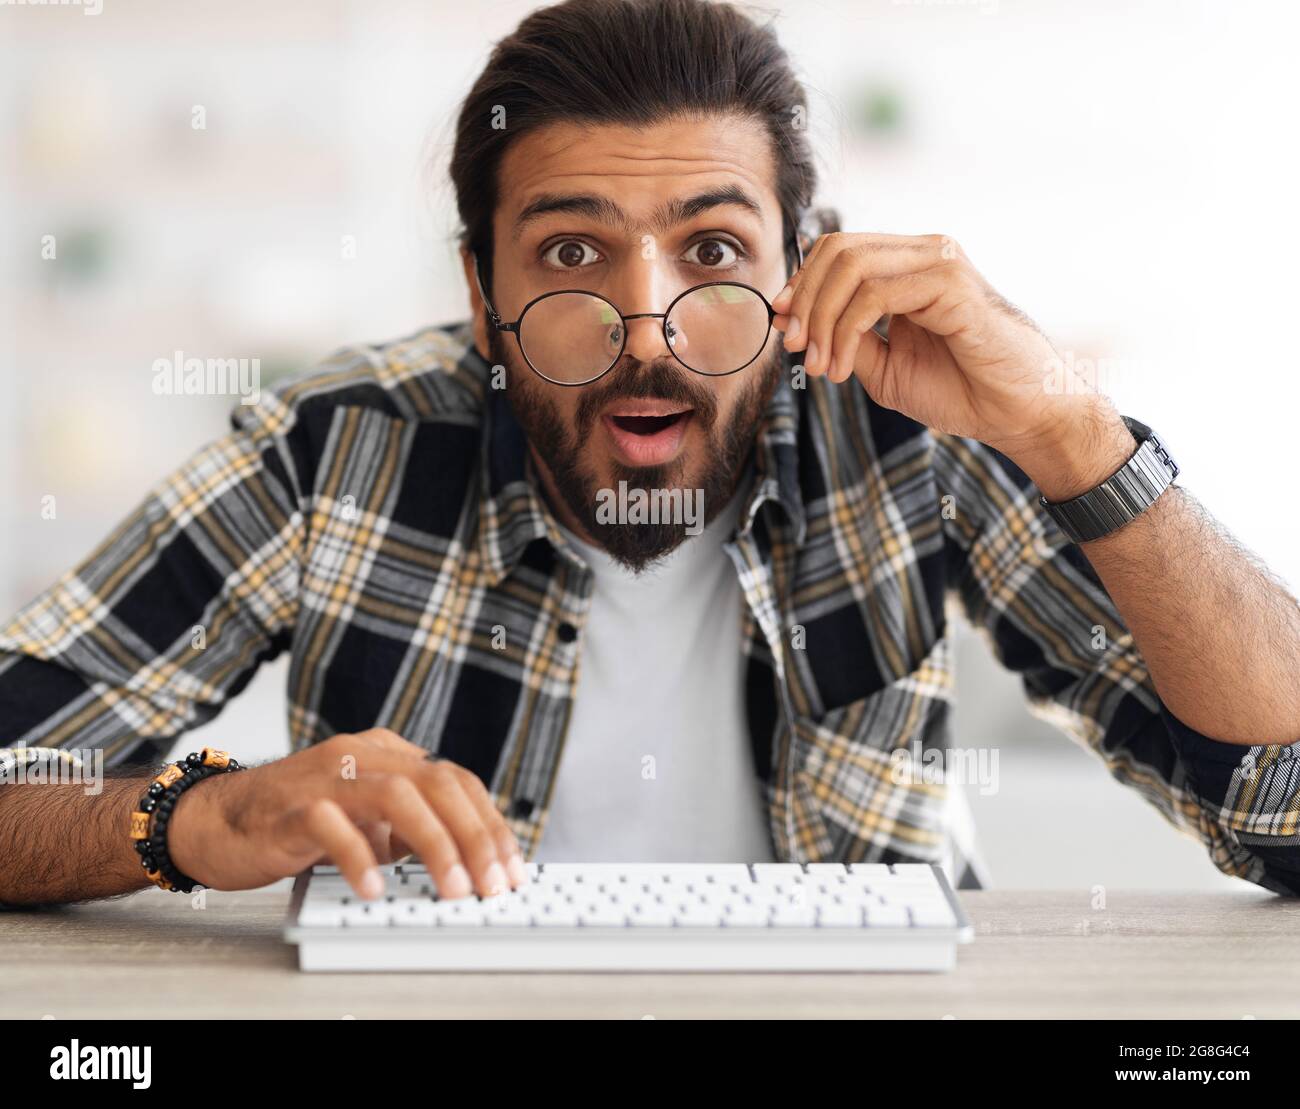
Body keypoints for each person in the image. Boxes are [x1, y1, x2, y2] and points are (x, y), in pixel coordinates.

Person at [1, 0, 1297, 908]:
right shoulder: (333, 447)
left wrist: (1079, 432)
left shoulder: (917, 435)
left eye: (716, 251)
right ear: (481, 289)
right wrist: (192, 817)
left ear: (805, 265)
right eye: (570, 252)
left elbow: (1286, 818)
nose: (644, 329)